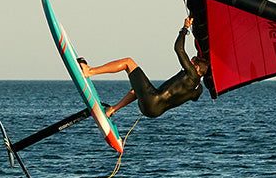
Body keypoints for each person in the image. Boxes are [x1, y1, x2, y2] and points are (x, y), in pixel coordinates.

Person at [79, 16, 210, 118]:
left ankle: (89, 71)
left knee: (128, 62)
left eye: (192, 63)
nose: (189, 64)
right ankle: (111, 110)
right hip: (154, 112)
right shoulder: (197, 90)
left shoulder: (192, 73)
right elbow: (196, 96)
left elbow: (178, 49)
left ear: (197, 68)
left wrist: (185, 28)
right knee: (136, 90)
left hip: (152, 99)